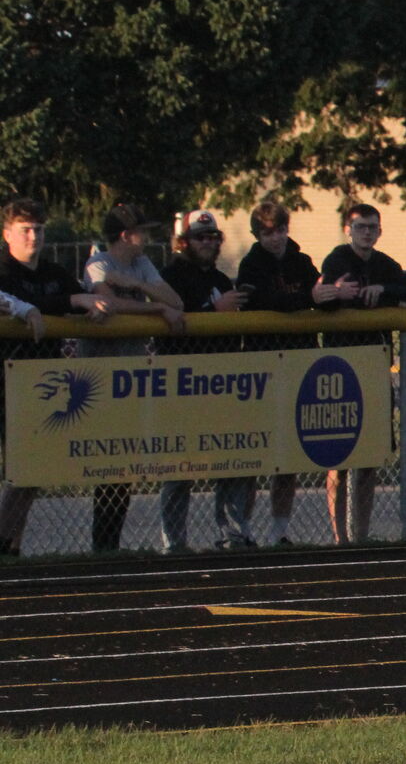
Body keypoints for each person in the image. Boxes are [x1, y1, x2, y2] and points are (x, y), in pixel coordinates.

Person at [317, 203, 406, 543]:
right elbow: (329, 298)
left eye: (373, 227)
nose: (367, 232)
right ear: (348, 229)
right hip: (342, 371)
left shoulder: (384, 265)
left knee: (369, 460)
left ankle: (360, 535)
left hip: (376, 369)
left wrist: (386, 292)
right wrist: (339, 293)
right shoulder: (337, 260)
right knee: (339, 459)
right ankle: (340, 536)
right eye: (361, 226)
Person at [83, 205, 187, 550]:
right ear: (126, 235)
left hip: (130, 379)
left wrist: (136, 284)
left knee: (123, 465)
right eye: (142, 230)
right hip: (98, 379)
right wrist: (155, 307)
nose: (148, 236)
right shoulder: (99, 262)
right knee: (105, 464)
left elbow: (176, 300)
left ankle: (109, 544)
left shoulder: (141, 264)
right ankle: (103, 543)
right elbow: (107, 303)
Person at [237, 201, 335, 544]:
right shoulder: (251, 265)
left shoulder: (300, 261)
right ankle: (241, 528)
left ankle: (279, 530)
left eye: (280, 230)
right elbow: (265, 300)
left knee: (287, 455)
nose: (276, 238)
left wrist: (329, 295)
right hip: (262, 369)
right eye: (268, 232)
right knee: (253, 454)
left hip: (297, 364)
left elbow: (319, 292)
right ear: (257, 235)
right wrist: (307, 297)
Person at [158, 210, 255, 550]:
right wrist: (216, 311)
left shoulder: (221, 280)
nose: (208, 243)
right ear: (184, 242)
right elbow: (174, 324)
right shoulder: (169, 276)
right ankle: (174, 541)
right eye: (200, 237)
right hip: (183, 383)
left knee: (233, 458)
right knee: (179, 464)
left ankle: (232, 534)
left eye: (213, 237)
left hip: (221, 384)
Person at [0, 196, 90, 556]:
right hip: (6, 376)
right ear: (7, 233)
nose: (33, 237)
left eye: (38, 229)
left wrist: (92, 303)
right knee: (20, 468)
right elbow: (12, 298)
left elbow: (81, 299)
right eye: (25, 230)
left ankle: (9, 546)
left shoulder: (54, 273)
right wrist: (33, 308)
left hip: (41, 383)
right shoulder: (3, 269)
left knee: (29, 470)